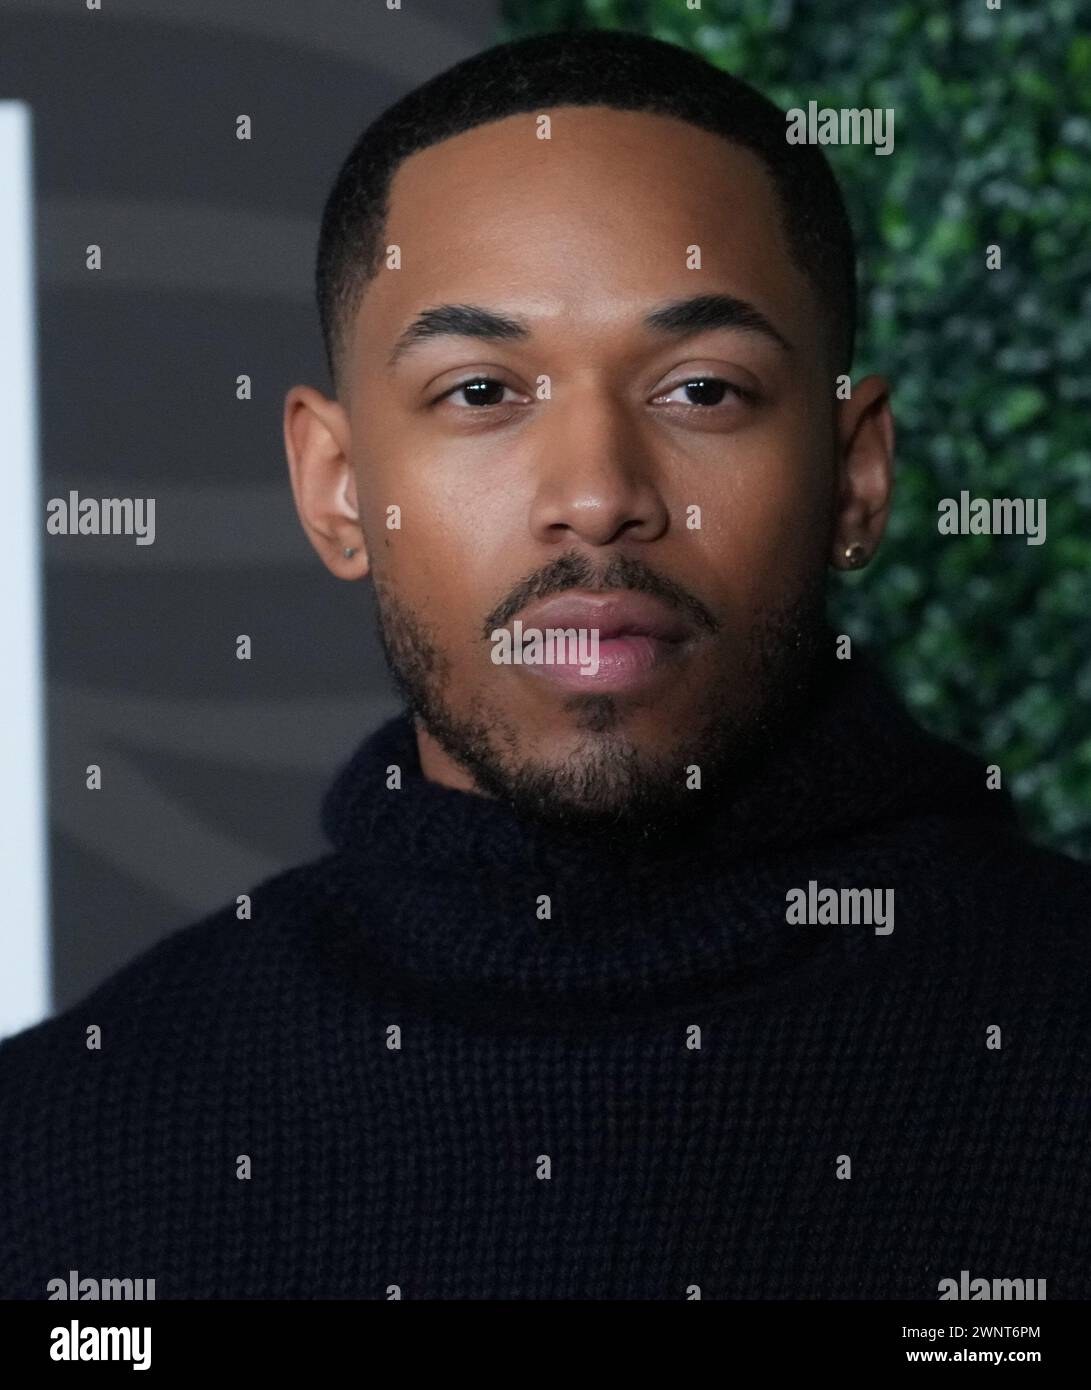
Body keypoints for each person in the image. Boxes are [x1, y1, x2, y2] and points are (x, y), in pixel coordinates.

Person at [2, 28, 1088, 1301]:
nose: (593, 496)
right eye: (478, 392)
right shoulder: (56, 1150)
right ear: (336, 487)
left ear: (854, 474)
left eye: (700, 391)